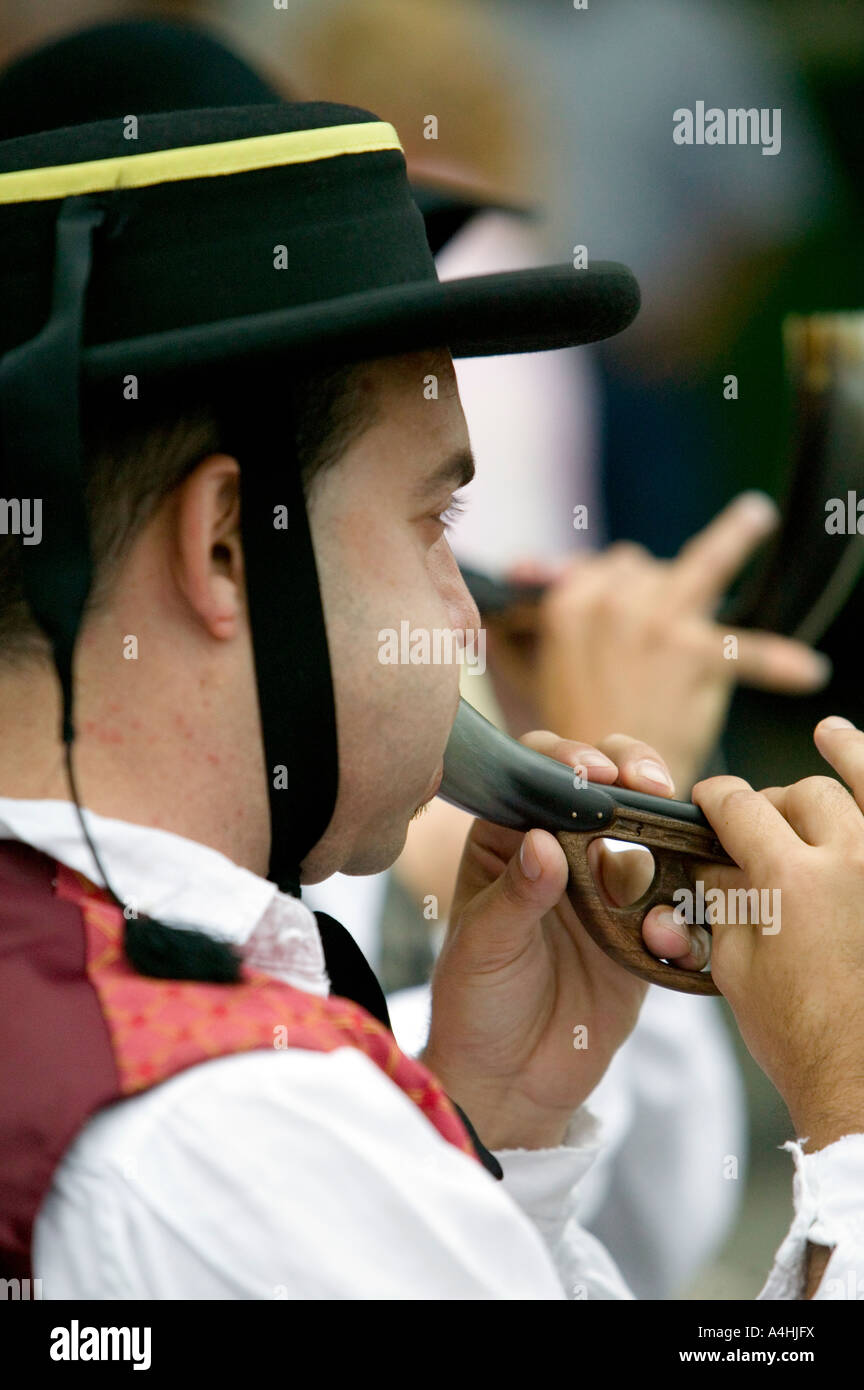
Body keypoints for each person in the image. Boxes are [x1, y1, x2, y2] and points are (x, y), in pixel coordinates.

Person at [0, 42, 862, 1305]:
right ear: (232, 546)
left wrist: (486, 1124)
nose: (464, 625)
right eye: (433, 524)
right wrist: (852, 1105)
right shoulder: (227, 1143)